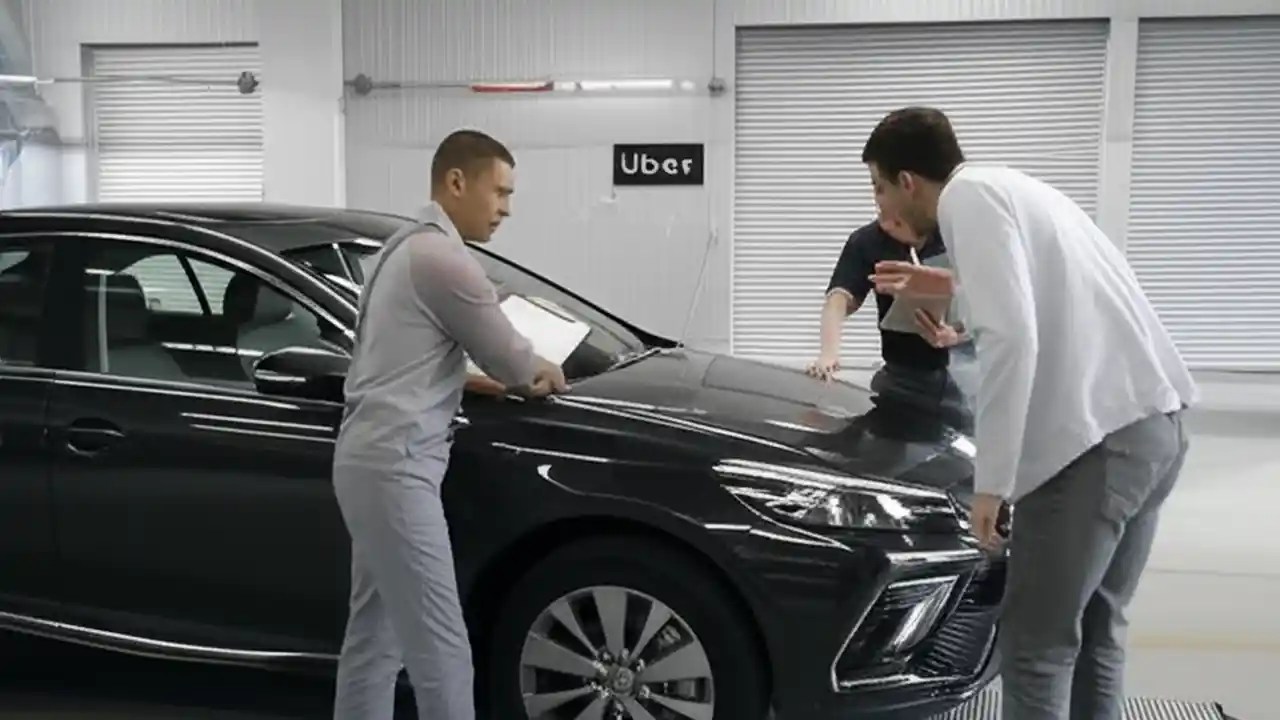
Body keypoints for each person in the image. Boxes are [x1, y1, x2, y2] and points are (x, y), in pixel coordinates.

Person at [860, 106, 1198, 720]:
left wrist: (992, 484)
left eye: (880, 187)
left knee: (1035, 650)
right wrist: (957, 312)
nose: (881, 204)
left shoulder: (966, 200)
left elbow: (1013, 338)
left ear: (907, 181)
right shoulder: (1015, 188)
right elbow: (1038, 298)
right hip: (1155, 430)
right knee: (1098, 628)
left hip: (1095, 449)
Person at [330, 128, 568, 720]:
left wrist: (473, 379)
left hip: (366, 461)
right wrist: (543, 371)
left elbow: (403, 359)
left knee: (374, 641)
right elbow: (515, 362)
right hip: (399, 469)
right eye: (500, 192)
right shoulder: (446, 261)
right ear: (457, 182)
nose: (506, 209)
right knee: (443, 653)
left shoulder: (401, 249)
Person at [807, 212, 973, 424]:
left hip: (966, 372)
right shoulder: (868, 240)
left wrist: (957, 334)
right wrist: (828, 354)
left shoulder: (960, 233)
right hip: (903, 374)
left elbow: (994, 306)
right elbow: (838, 298)